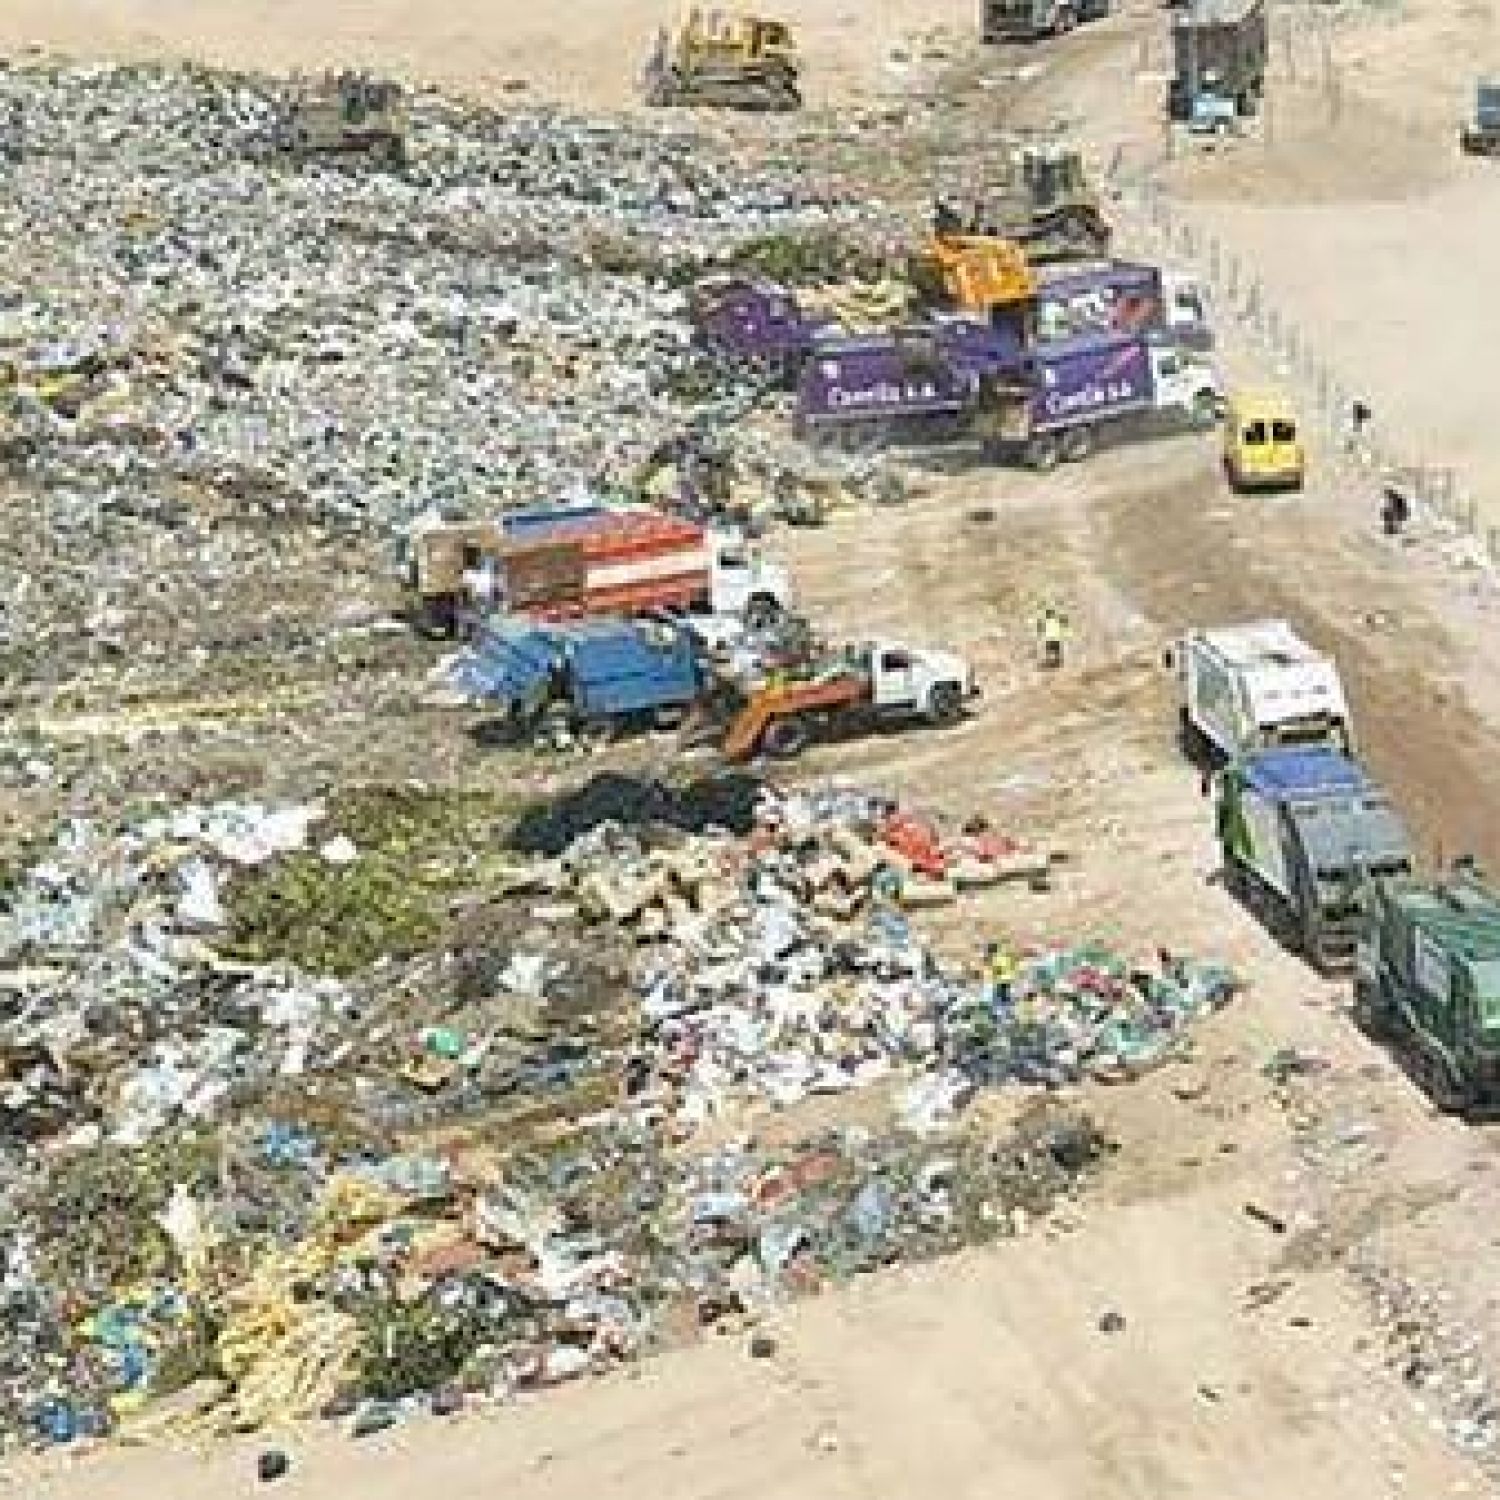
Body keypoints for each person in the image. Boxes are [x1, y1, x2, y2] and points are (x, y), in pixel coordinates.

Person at [1036, 606, 1068, 670]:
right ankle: (1056, 662)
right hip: (1055, 638)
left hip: (1051, 638)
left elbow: (1042, 629)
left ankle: (1053, 662)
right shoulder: (1054, 621)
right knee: (1055, 651)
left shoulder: (1048, 622)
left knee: (1051, 651)